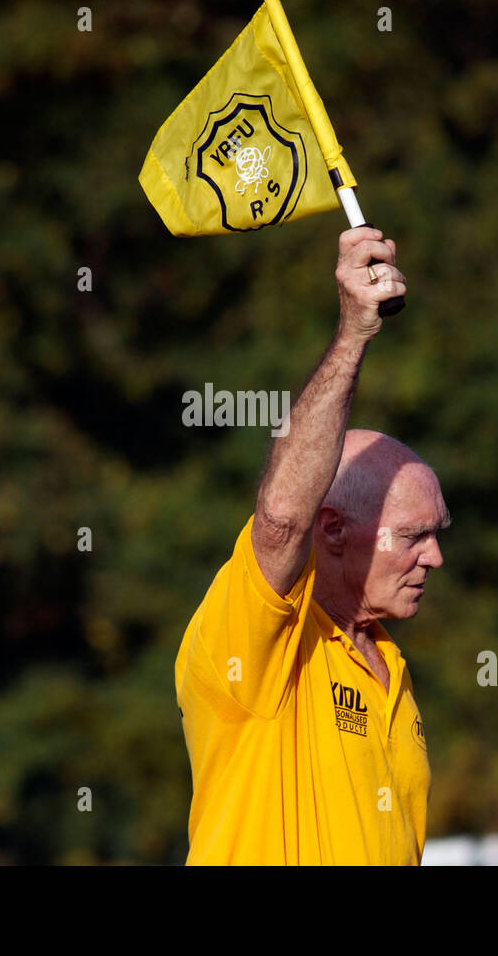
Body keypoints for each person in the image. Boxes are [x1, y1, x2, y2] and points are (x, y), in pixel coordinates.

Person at [175, 227, 451, 864]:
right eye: (414, 535)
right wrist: (353, 334)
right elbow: (279, 520)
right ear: (331, 530)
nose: (435, 557)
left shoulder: (391, 668)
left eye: (437, 533)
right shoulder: (255, 642)